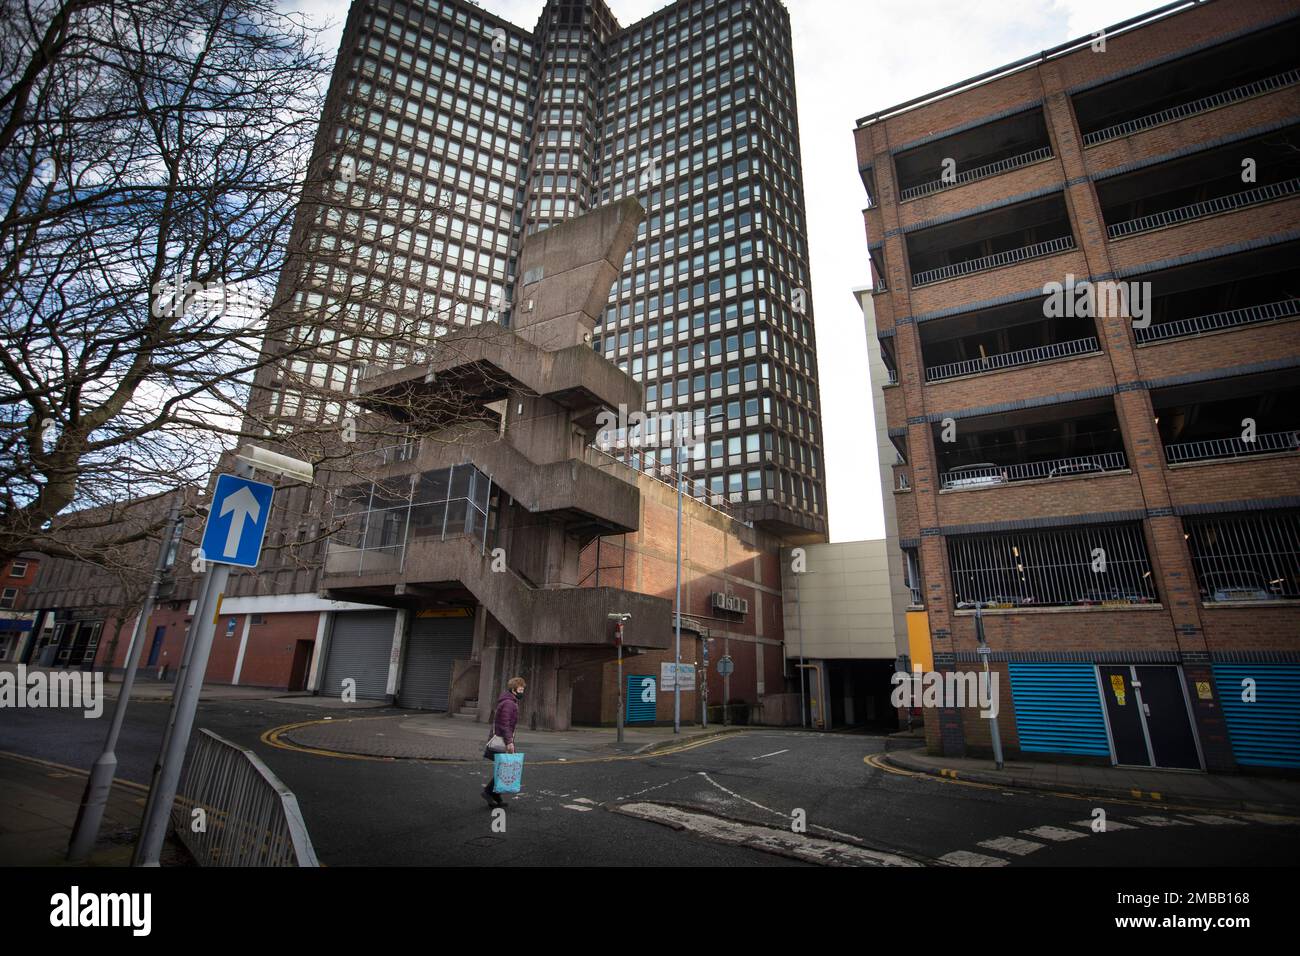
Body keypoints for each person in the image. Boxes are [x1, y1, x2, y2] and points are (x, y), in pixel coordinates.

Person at [482, 676, 525, 807]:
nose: (522, 692)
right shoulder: (508, 703)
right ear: (513, 690)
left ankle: (494, 792)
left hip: (503, 738)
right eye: (520, 689)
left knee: (504, 767)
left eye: (523, 689)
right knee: (505, 767)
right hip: (502, 740)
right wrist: (509, 742)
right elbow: (504, 724)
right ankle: (489, 792)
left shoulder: (510, 701)